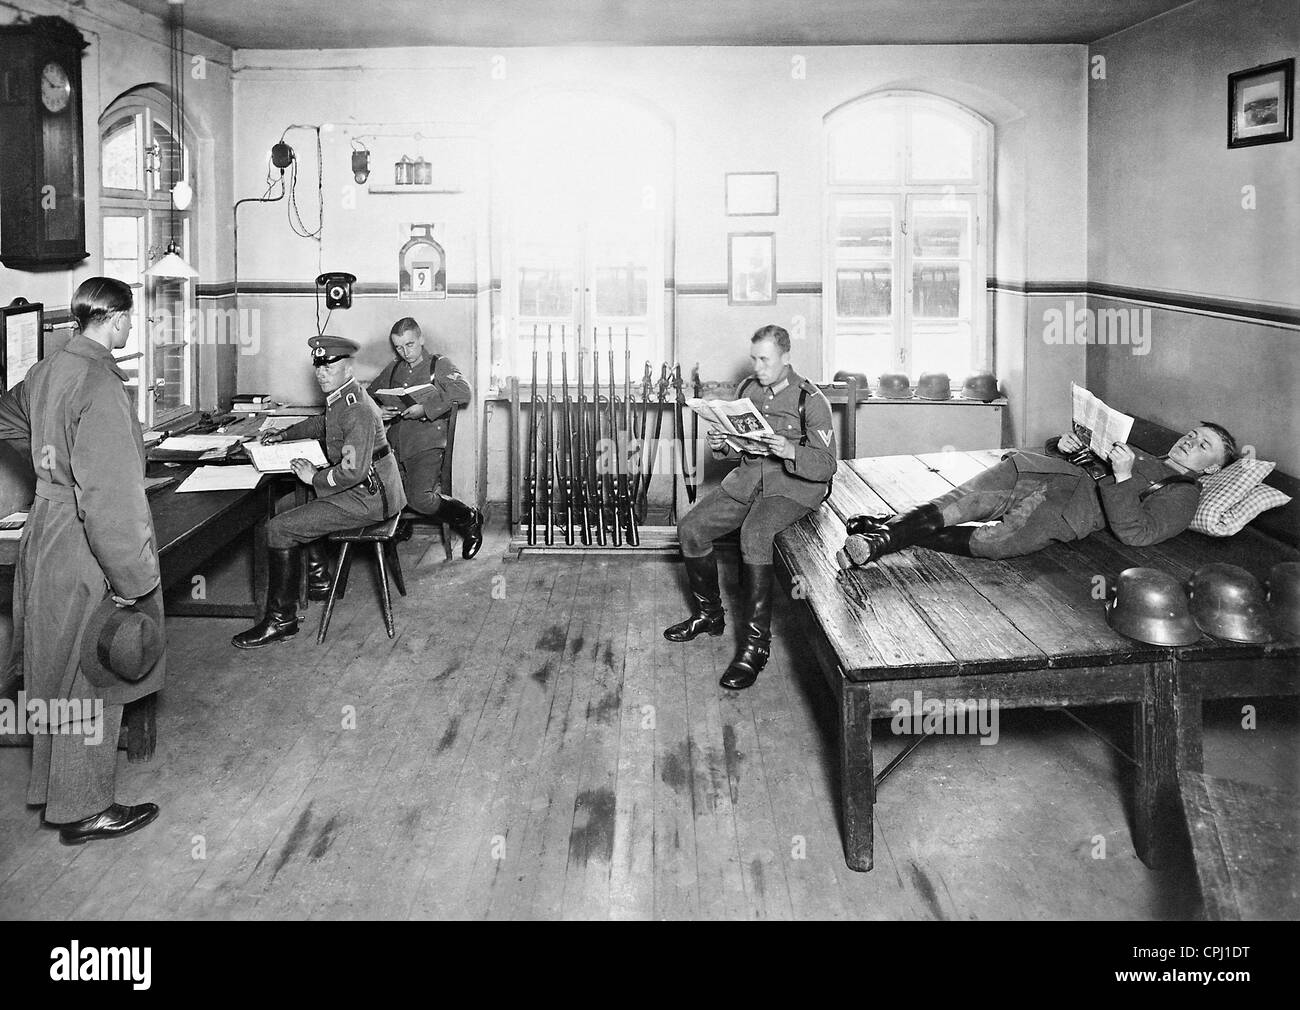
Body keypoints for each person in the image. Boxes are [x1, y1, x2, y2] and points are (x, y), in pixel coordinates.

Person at [0, 277, 162, 844]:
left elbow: (8, 417)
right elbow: (110, 501)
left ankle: (59, 792)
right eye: (129, 320)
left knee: (56, 666)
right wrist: (133, 579)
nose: (129, 328)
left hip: (45, 534)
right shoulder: (101, 384)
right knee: (95, 669)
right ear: (115, 320)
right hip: (84, 542)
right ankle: (85, 808)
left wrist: (50, 470)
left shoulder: (47, 369)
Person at [664, 324, 836, 690]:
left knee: (754, 534)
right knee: (691, 529)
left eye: (765, 359)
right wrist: (721, 441)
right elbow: (736, 448)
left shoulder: (811, 400)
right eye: (754, 358)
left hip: (793, 488)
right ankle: (709, 616)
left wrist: (789, 450)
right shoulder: (748, 390)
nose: (757, 367)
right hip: (748, 480)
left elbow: (827, 465)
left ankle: (756, 648)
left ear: (786, 358)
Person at [838, 422, 1237, 567]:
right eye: (1193, 435)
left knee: (992, 545)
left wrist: (1121, 476)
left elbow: (1137, 534)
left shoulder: (1182, 495)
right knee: (958, 504)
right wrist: (1062, 445)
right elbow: (1080, 455)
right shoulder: (1144, 451)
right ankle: (880, 542)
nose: (1190, 442)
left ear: (1214, 468)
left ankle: (886, 531)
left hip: (1059, 512)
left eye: (1203, 446)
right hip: (1035, 471)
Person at [232, 335, 407, 649]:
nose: (322, 372)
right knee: (303, 506)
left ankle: (280, 622)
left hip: (370, 496)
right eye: (318, 364)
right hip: (373, 488)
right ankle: (320, 581)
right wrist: (284, 434)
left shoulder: (357, 409)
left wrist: (316, 477)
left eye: (330, 364)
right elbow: (323, 424)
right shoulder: (345, 396)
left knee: (280, 527)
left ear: (347, 365)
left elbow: (352, 471)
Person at [368, 318, 483, 558]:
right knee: (378, 490)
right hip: (394, 442)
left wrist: (426, 409)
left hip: (427, 443)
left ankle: (468, 518)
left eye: (410, 344)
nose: (405, 352)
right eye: (399, 347)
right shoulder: (394, 367)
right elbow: (370, 394)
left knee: (418, 499)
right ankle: (400, 525)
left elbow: (463, 393)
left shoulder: (438, 365)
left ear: (421, 339)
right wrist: (379, 409)